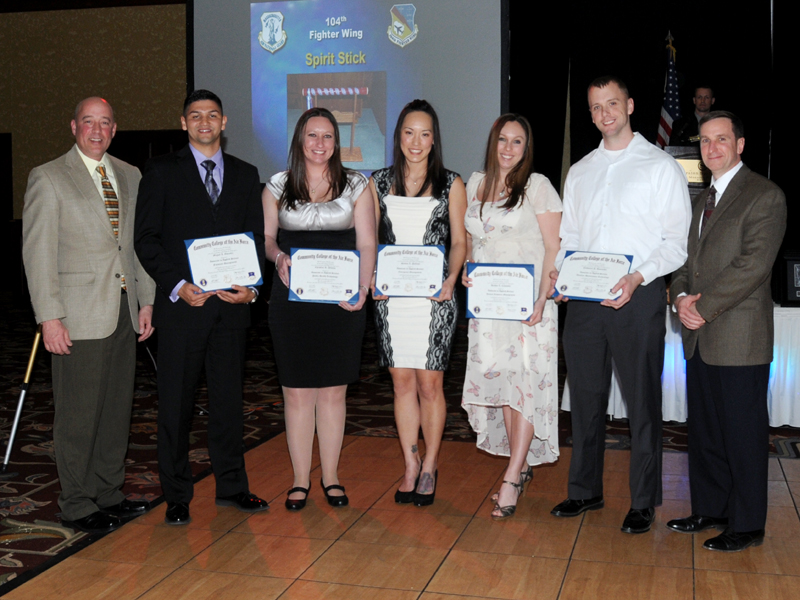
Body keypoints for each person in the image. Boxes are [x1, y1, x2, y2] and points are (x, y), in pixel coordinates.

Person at [550, 76, 692, 533]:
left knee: (642, 403)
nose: (605, 112)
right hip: (586, 301)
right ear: (590, 114)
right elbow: (569, 236)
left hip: (640, 296)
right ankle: (584, 492)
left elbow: (676, 244)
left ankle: (644, 501)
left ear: (630, 105)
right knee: (585, 398)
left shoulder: (659, 166)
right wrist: (561, 271)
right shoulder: (581, 170)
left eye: (613, 103)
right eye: (596, 107)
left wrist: (637, 277)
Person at [22, 97, 156, 534]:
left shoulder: (131, 175)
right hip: (76, 315)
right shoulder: (48, 177)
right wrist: (49, 316)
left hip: (124, 310)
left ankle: (109, 494)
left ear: (115, 129)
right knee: (79, 415)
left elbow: (134, 246)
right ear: (73, 126)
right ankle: (77, 503)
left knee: (117, 410)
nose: (96, 131)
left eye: (105, 123)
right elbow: (37, 254)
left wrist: (147, 299)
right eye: (88, 123)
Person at [134, 89, 268, 525]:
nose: (204, 122)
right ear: (183, 122)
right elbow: (146, 240)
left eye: (212, 115)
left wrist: (252, 290)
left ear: (224, 122)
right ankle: (176, 495)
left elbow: (253, 240)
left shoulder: (248, 175)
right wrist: (177, 285)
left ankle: (233, 487)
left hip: (231, 310)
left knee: (229, 403)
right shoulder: (159, 172)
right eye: (196, 116)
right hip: (183, 309)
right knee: (176, 405)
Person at [668, 111, 786, 552]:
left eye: (721, 139)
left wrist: (704, 307)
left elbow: (753, 265)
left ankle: (748, 523)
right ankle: (712, 509)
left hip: (739, 340)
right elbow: (684, 263)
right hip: (699, 338)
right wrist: (678, 298)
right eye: (704, 141)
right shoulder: (701, 200)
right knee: (706, 433)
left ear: (740, 144)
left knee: (743, 436)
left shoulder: (765, 195)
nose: (711, 148)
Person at [263, 107, 376, 511]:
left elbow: (366, 244)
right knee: (296, 394)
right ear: (300, 139)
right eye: (313, 135)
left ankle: (330, 477)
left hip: (342, 302)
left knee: (332, 393)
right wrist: (277, 259)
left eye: (328, 136)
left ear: (337, 142)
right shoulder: (277, 185)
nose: (320, 144)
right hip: (291, 302)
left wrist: (363, 288)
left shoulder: (357, 185)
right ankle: (298, 480)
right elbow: (268, 240)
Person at [461, 114, 562, 519]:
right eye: (503, 140)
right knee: (505, 384)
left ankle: (513, 475)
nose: (508, 148)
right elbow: (470, 240)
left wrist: (542, 299)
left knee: (524, 386)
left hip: (527, 309)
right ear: (493, 142)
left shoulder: (538, 187)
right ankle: (517, 469)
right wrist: (469, 268)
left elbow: (554, 247)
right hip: (488, 309)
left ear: (526, 148)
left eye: (517, 142)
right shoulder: (474, 183)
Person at [371, 99, 467, 507]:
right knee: (402, 384)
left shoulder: (452, 183)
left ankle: (430, 465)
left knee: (430, 385)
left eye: (425, 133)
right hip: (392, 300)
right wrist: (372, 276)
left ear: (434, 139)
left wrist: (451, 278)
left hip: (434, 298)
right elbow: (369, 240)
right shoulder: (376, 182)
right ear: (398, 136)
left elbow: (461, 241)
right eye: (409, 132)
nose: (416, 141)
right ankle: (410, 465)